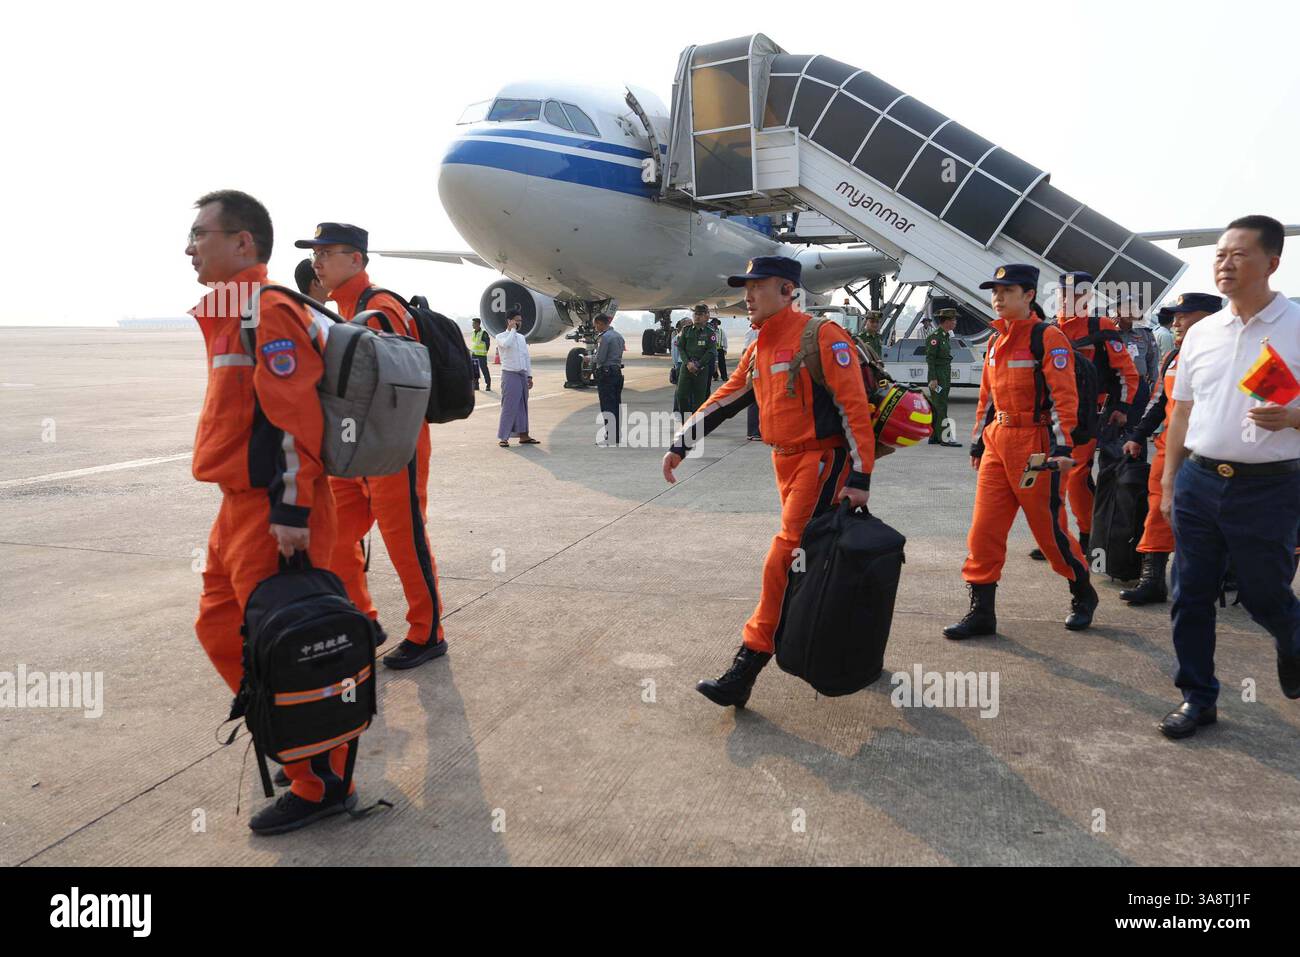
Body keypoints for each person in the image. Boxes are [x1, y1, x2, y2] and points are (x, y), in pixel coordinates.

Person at [186, 191, 357, 834]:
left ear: (243, 243)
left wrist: (291, 508)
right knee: (219, 626)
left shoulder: (268, 310)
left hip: (274, 511)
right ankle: (299, 737)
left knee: (288, 650)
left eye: (201, 234)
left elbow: (293, 419)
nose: (190, 246)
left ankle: (321, 781)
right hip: (236, 508)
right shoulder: (232, 313)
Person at [662, 257, 876, 707]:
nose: (748, 295)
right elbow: (730, 396)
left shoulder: (820, 336)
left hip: (821, 462)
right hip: (784, 464)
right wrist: (684, 441)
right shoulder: (759, 345)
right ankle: (855, 641)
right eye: (746, 286)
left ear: (786, 290)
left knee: (783, 558)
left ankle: (747, 665)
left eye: (757, 286)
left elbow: (853, 406)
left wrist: (860, 475)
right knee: (815, 561)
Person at [1157, 215, 1300, 739]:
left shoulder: (1296, 327)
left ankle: (1293, 640)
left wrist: (1293, 416)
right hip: (1198, 481)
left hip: (1269, 486)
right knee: (1188, 593)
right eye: (1220, 254)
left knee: (1265, 595)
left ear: (1272, 263)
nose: (1225, 263)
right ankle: (1198, 697)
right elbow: (1181, 413)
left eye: (1239, 254)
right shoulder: (1202, 334)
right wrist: (1171, 481)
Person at [296, 222, 447, 671]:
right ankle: (361, 621)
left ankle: (428, 632)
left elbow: (400, 384)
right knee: (335, 536)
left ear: (357, 259)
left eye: (327, 253)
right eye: (316, 254)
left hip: (392, 445)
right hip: (353, 450)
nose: (317, 262)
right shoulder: (342, 309)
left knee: (405, 540)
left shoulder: (381, 308)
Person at [944, 264, 1097, 639]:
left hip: (1036, 445)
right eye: (995, 291)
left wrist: (1063, 446)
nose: (997, 298)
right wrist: (979, 441)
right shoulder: (995, 342)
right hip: (999, 441)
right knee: (984, 532)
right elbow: (988, 398)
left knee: (1049, 533)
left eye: (1007, 291)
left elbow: (1064, 396)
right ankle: (982, 612)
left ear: (1029, 296)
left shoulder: (1048, 338)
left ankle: (1082, 591)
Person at [1119, 293, 1222, 605]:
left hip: (1213, 454)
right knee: (1158, 512)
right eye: (1175, 315)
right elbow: (1160, 401)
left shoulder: (1230, 355)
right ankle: (1153, 580)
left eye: (1185, 315)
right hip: (1171, 449)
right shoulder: (1174, 357)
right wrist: (1138, 435)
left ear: (1208, 317)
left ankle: (1223, 573)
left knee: (1212, 517)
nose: (1176, 322)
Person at [1029, 271, 1140, 561]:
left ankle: (1089, 537)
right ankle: (1055, 536)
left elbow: (1127, 372)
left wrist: (1122, 408)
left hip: (1090, 414)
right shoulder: (1048, 329)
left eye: (1075, 293)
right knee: (1049, 477)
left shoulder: (1100, 326)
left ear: (1087, 296)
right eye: (1063, 293)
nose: (1068, 298)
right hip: (1052, 414)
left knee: (1075, 477)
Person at [496, 309, 539, 446]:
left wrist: (529, 376)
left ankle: (524, 435)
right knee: (509, 405)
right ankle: (504, 437)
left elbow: (526, 358)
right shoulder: (501, 336)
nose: (519, 323)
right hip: (510, 374)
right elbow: (506, 345)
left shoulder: (521, 338)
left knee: (522, 405)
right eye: (516, 320)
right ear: (509, 321)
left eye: (520, 321)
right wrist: (512, 330)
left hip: (522, 374)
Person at [1114, 293, 1160, 409]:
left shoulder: (1146, 334)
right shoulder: (1108, 331)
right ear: (1118, 310)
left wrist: (1153, 390)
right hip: (1113, 384)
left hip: (1139, 386)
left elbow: (1153, 364)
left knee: (1133, 424)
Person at [926, 308, 962, 447]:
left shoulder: (945, 336)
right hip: (938, 375)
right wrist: (933, 379)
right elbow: (930, 359)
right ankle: (945, 438)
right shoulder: (935, 337)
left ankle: (934, 436)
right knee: (940, 406)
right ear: (946, 321)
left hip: (945, 373)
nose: (955, 322)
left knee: (939, 405)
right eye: (954, 320)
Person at [675, 305, 717, 418]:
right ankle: (685, 420)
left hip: (701, 369)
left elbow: (711, 351)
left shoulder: (710, 333)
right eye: (695, 314)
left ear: (706, 316)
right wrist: (688, 363)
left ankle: (696, 423)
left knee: (699, 399)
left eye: (700, 314)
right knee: (681, 395)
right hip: (686, 367)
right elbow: (680, 347)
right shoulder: (686, 330)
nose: (697, 317)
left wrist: (698, 364)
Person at [593, 313, 625, 446]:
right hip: (617, 372)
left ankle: (610, 435)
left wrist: (589, 358)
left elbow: (600, 358)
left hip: (606, 373)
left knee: (607, 406)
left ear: (601, 323)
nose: (595, 328)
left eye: (596, 325)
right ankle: (616, 435)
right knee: (616, 405)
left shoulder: (605, 338)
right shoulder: (619, 336)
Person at [743, 321, 762, 441]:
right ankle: (753, 432)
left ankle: (758, 431)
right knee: (754, 402)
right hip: (755, 369)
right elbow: (746, 351)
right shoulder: (752, 332)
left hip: (760, 369)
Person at [469, 317, 492, 392]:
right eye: (472, 324)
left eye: (474, 323)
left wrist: (485, 351)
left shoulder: (483, 333)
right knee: (475, 371)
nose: (473, 325)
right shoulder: (473, 332)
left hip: (481, 355)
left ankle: (488, 385)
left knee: (484, 370)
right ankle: (476, 385)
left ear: (478, 324)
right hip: (474, 354)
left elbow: (487, 344)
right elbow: (474, 343)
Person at [710, 316, 729, 381]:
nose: (715, 324)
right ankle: (715, 376)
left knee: (722, 364)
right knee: (713, 363)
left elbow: (724, 340)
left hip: (720, 349)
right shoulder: (710, 331)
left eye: (716, 323)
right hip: (712, 349)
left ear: (718, 324)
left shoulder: (721, 331)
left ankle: (724, 376)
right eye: (714, 323)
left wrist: (725, 349)